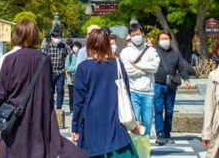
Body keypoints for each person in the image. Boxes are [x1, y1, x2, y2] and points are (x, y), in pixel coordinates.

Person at [0, 20, 86, 158]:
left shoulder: (10, 59)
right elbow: (48, 89)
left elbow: (1, 93)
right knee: (38, 149)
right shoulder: (44, 59)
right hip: (39, 113)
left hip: (15, 116)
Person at [71, 28, 136, 157]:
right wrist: (133, 118)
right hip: (115, 119)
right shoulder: (117, 64)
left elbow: (78, 101)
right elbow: (126, 93)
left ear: (90, 44)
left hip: (91, 121)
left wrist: (75, 127)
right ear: (107, 44)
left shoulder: (84, 68)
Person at [120, 23, 160, 139]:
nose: (136, 37)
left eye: (138, 34)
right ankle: (136, 146)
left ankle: (145, 142)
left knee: (147, 122)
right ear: (130, 36)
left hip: (148, 92)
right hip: (133, 91)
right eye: (133, 34)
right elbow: (127, 70)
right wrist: (143, 71)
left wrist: (137, 65)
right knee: (134, 121)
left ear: (142, 34)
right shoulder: (125, 52)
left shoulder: (151, 51)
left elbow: (155, 67)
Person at [154, 30, 190, 146]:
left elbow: (182, 66)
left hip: (170, 86)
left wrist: (186, 79)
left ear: (170, 39)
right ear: (158, 40)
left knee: (169, 111)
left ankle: (167, 133)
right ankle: (160, 134)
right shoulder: (153, 52)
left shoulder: (175, 53)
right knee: (158, 110)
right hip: (157, 84)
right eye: (162, 38)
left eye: (166, 38)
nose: (164, 41)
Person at [42, 30, 69, 111]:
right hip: (50, 72)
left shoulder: (63, 46)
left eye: (59, 37)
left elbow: (67, 57)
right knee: (50, 90)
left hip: (60, 72)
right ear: (52, 37)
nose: (58, 39)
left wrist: (66, 69)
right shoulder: (46, 47)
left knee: (60, 90)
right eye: (56, 37)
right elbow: (42, 59)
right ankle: (50, 107)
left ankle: (59, 107)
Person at [66, 40, 79, 115]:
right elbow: (67, 67)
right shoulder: (69, 56)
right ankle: (72, 109)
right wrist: (76, 67)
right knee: (71, 96)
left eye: (76, 47)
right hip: (71, 79)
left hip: (80, 79)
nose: (75, 48)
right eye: (74, 46)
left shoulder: (82, 56)